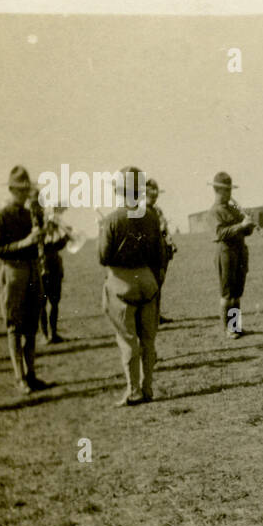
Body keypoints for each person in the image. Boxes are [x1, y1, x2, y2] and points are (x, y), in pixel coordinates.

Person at [98, 166, 163, 406]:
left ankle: (133, 390)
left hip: (121, 284)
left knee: (127, 340)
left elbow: (103, 257)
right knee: (148, 340)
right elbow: (159, 254)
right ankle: (148, 388)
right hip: (147, 283)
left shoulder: (112, 219)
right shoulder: (151, 216)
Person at [0, 166, 51, 395]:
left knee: (31, 325)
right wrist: (25, 243)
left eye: (27, 190)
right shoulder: (1, 216)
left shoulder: (29, 215)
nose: (25, 194)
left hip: (32, 270)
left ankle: (32, 374)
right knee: (14, 326)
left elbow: (35, 245)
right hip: (13, 272)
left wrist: (42, 237)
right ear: (11, 190)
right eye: (20, 190)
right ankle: (20, 377)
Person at [209, 171, 255, 338]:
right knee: (227, 293)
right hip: (226, 252)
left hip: (240, 251)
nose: (229, 193)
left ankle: (235, 326)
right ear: (217, 190)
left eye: (230, 190)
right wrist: (241, 226)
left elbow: (246, 232)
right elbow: (220, 233)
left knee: (236, 293)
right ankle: (228, 329)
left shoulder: (234, 209)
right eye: (225, 190)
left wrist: (249, 223)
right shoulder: (215, 211)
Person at [37, 195, 70, 343]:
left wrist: (65, 236)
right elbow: (47, 247)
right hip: (43, 269)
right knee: (43, 304)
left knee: (54, 303)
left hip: (54, 268)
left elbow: (54, 246)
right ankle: (46, 335)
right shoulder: (39, 226)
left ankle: (52, 334)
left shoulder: (52, 224)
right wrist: (65, 238)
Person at [146, 178, 177, 325]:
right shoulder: (141, 211)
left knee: (159, 284)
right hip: (150, 253)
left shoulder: (157, 210)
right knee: (151, 285)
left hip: (162, 251)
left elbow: (164, 230)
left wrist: (170, 241)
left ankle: (156, 315)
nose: (154, 197)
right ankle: (150, 316)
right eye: (151, 194)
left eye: (156, 195)